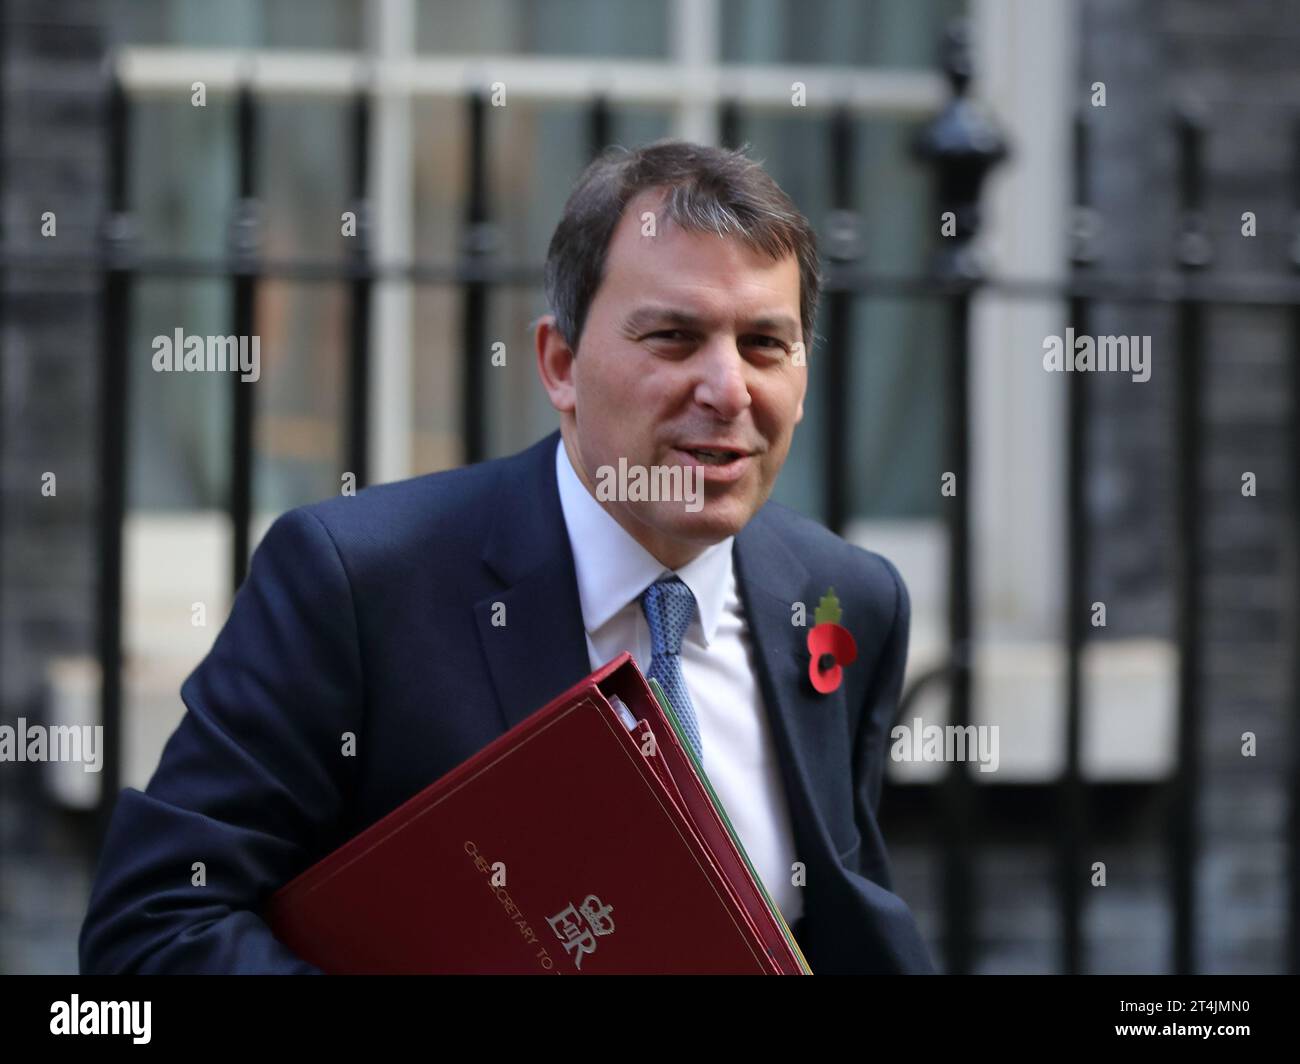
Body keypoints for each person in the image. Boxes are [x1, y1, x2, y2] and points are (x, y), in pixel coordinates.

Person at [80, 139, 934, 974]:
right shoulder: (356, 582)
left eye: (764, 344)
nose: (727, 389)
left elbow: (839, 921)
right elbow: (154, 928)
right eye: (674, 336)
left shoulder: (845, 600)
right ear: (560, 364)